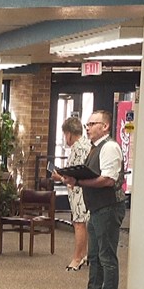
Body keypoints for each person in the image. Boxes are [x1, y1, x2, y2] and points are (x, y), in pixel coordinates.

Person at [57, 110, 126, 289]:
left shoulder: (110, 147)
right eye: (87, 124)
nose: (87, 128)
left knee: (107, 256)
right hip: (95, 208)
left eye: (91, 124)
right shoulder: (94, 148)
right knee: (94, 256)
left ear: (104, 126)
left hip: (109, 207)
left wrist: (78, 181)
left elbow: (108, 180)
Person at [52, 116, 92, 271]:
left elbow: (75, 175)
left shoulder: (79, 148)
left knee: (79, 224)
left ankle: (77, 257)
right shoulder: (87, 145)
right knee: (82, 223)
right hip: (82, 190)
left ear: (69, 133)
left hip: (80, 191)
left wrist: (59, 177)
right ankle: (84, 254)